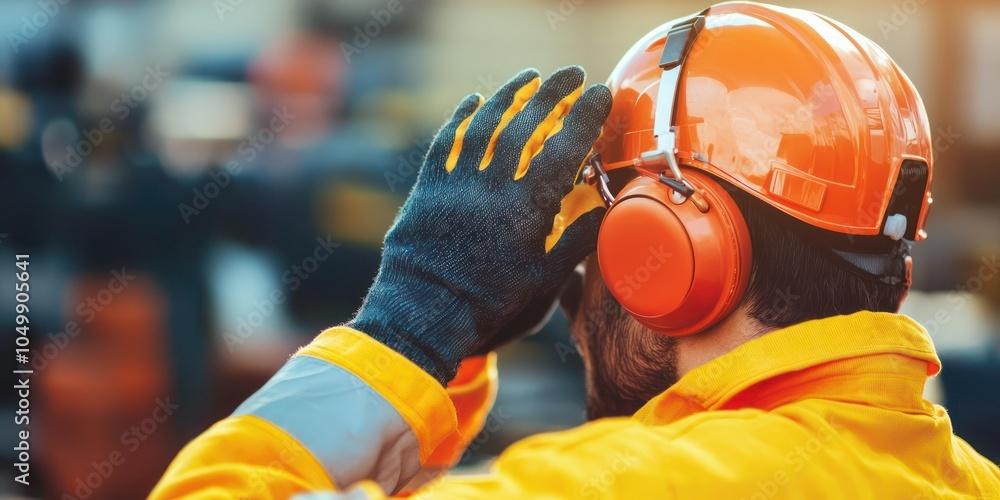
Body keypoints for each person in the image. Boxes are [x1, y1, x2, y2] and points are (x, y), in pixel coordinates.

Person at [152, 3, 1000, 498]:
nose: (574, 286)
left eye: (599, 232)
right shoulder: (962, 476)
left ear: (663, 256)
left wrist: (409, 327)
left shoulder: (613, 483)